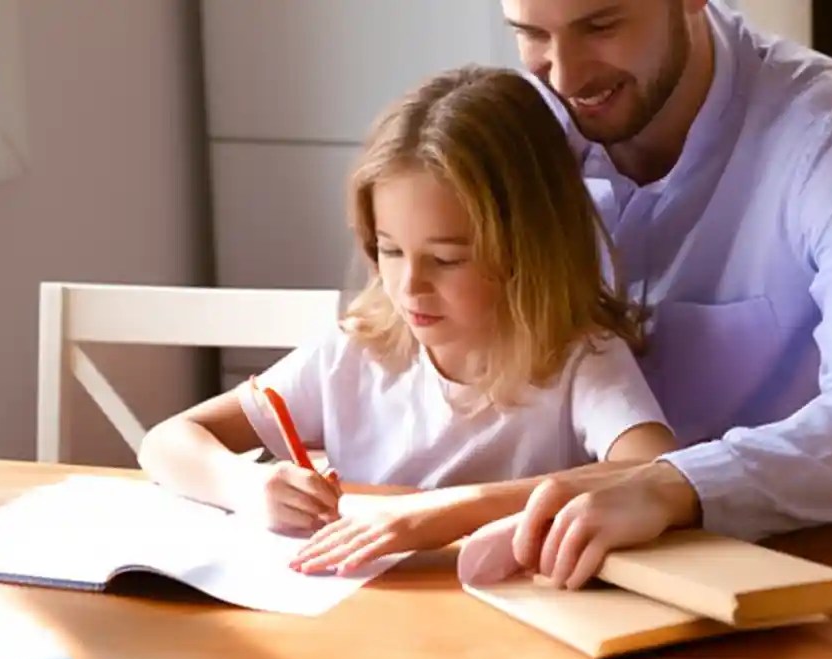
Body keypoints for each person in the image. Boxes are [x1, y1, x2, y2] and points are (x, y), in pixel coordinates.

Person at [468, 0, 832, 590]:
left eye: (600, 27)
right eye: (531, 35)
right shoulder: (526, 127)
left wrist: (670, 485)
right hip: (604, 580)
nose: (566, 78)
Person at [138, 66, 677, 576]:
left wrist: (450, 511)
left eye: (446, 259)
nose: (409, 286)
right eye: (389, 250)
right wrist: (246, 485)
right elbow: (166, 441)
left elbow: (658, 469)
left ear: (529, 247)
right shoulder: (357, 351)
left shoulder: (579, 358)